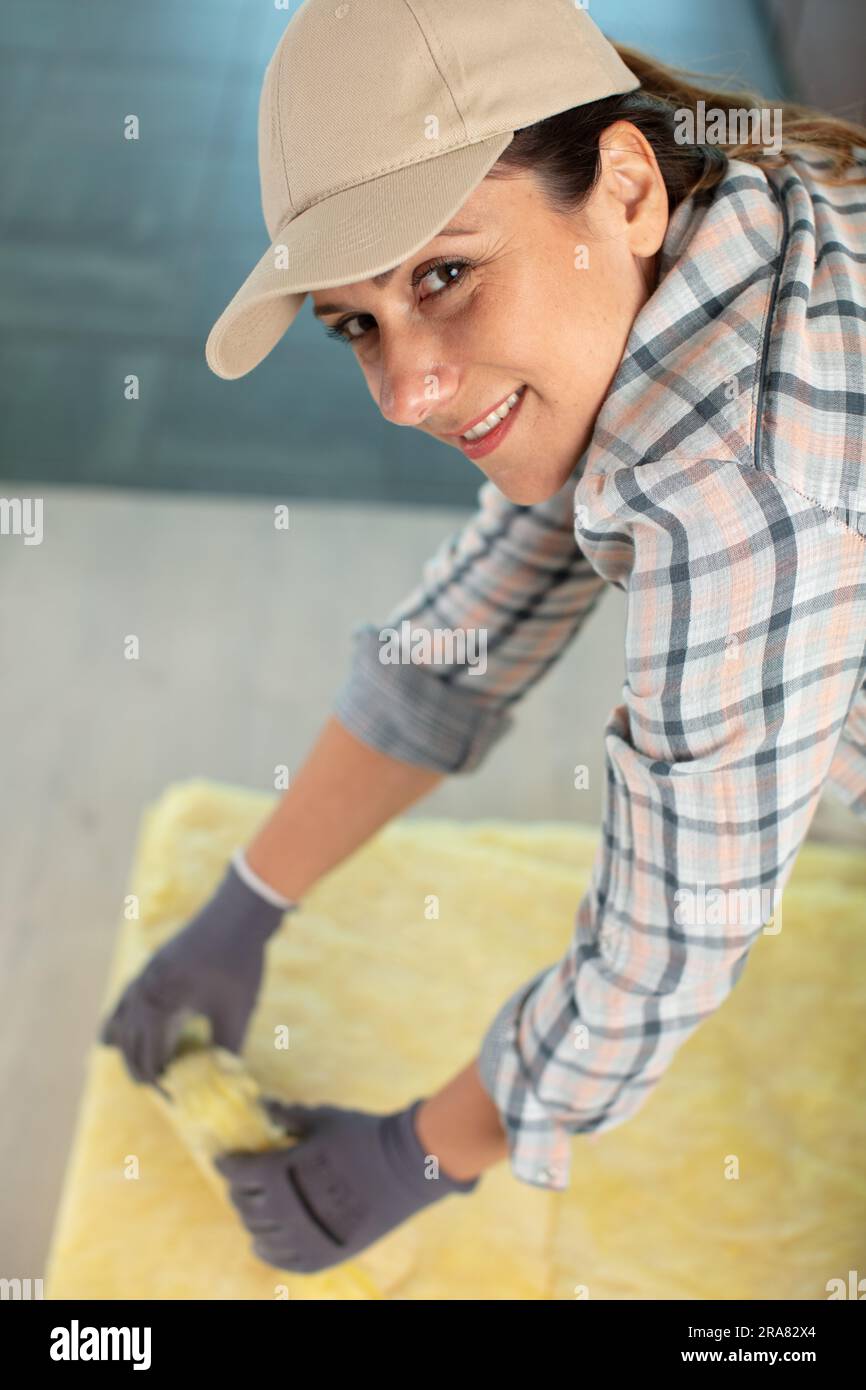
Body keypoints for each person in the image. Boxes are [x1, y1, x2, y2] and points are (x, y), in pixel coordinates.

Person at [100, 0, 866, 1276]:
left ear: (619, 185)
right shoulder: (709, 224)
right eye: (357, 323)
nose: (405, 391)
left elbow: (677, 929)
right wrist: (248, 902)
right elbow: (470, 630)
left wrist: (417, 1152)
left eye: (442, 276)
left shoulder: (741, 486)